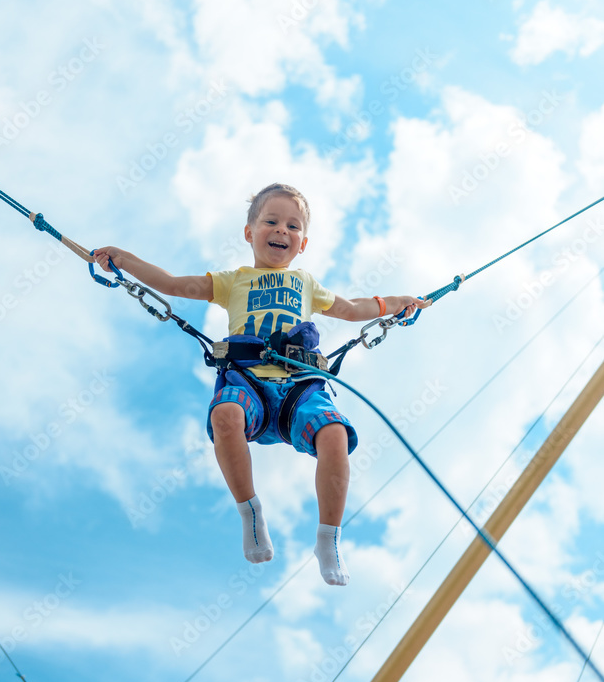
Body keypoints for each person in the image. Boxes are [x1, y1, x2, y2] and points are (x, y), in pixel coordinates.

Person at [94, 183, 427, 586]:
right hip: (248, 379)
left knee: (335, 434)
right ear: (250, 232)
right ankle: (250, 513)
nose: (281, 231)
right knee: (225, 416)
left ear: (302, 243)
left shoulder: (305, 283)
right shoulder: (232, 281)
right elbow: (173, 285)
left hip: (299, 388)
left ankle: (328, 538)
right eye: (271, 221)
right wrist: (123, 258)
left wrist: (398, 303)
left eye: (293, 225)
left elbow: (354, 309)